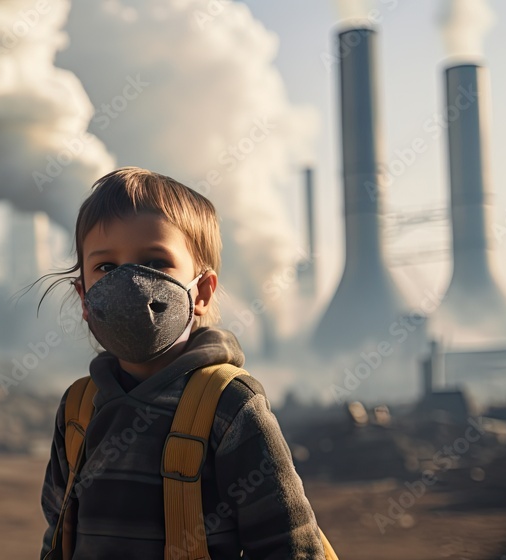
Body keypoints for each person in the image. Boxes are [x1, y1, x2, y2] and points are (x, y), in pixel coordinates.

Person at [39, 167, 326, 559]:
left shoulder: (229, 407)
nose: (131, 283)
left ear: (202, 292)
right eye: (106, 267)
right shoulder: (77, 409)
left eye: (156, 263)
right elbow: (58, 536)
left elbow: (289, 545)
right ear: (84, 297)